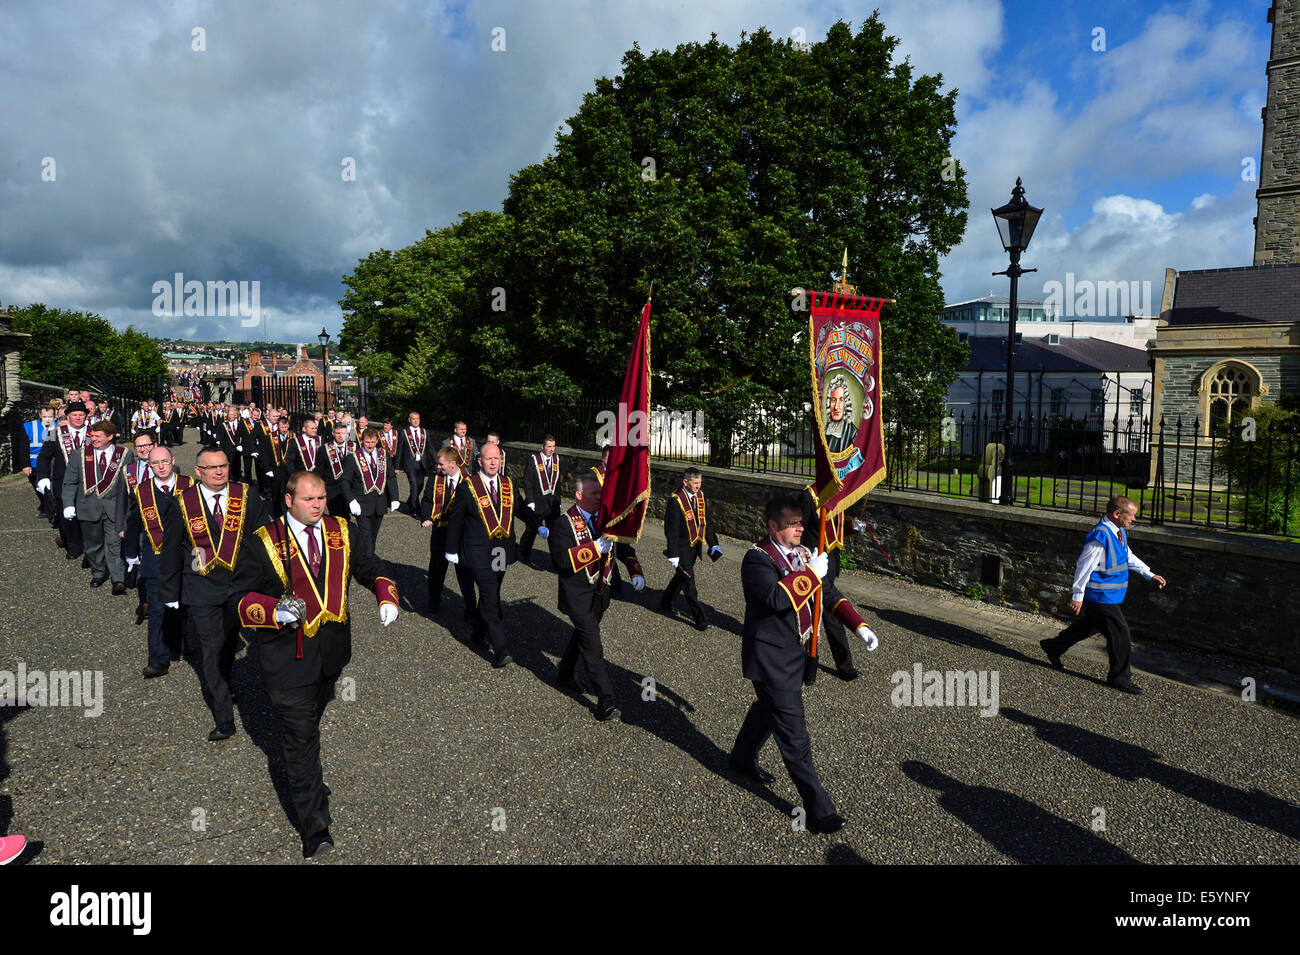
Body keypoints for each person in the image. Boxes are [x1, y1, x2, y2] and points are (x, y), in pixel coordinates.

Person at [230, 471, 399, 858]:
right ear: (288, 501)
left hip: (332, 655)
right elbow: (238, 598)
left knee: (312, 727)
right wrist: (274, 610)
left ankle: (308, 776)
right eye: (309, 499)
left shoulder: (342, 530)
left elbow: (368, 564)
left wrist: (384, 592)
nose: (319, 504)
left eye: (322, 497)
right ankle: (315, 827)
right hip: (286, 662)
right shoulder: (263, 541)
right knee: (301, 740)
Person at [729, 494, 878, 834]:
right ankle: (820, 810)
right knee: (795, 737)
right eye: (792, 525)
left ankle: (740, 757)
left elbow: (828, 593)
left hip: (793, 653)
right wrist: (810, 574)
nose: (800, 529)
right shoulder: (756, 559)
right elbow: (776, 598)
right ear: (772, 526)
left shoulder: (803, 555)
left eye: (800, 523)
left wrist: (859, 625)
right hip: (769, 658)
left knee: (768, 709)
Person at [160, 446, 268, 740]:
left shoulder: (246, 495)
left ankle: (226, 682)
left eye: (223, 466)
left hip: (239, 586)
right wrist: (170, 592)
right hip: (202, 588)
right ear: (198, 472)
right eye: (212, 468)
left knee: (226, 646)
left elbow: (263, 538)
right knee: (210, 651)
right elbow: (170, 550)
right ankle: (224, 719)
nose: (219, 472)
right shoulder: (182, 503)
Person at [1039, 495, 1167, 695]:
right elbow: (1084, 566)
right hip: (1100, 596)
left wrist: (1149, 574)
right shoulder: (1100, 535)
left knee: (1090, 626)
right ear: (1117, 514)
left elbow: (1128, 557)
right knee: (1121, 633)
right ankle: (1119, 678)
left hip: (1109, 595)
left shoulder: (1119, 532)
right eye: (1131, 515)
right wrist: (1077, 595)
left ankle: (1053, 646)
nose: (1134, 519)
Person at [444, 444, 544, 668]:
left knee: (493, 593)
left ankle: (478, 632)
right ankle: (501, 649)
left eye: (496, 459)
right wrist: (451, 549)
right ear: (479, 461)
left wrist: (538, 525)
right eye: (489, 459)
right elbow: (456, 520)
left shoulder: (507, 484)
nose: (493, 463)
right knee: (490, 599)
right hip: (477, 551)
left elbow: (519, 508)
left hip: (501, 551)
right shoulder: (467, 487)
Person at [551, 473, 636, 721]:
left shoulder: (604, 521)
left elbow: (623, 543)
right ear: (579, 495)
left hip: (600, 592)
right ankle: (606, 700)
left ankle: (565, 673)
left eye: (600, 493)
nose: (600, 497)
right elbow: (562, 560)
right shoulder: (563, 523)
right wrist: (595, 548)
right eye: (594, 494)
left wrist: (634, 569)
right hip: (576, 594)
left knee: (582, 635)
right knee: (593, 645)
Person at [123, 446, 192, 677]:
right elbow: (132, 524)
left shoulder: (190, 485)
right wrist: (130, 554)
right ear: (149, 466)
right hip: (155, 558)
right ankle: (158, 659)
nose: (161, 466)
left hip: (185, 558)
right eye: (155, 463)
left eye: (165, 461)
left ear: (173, 460)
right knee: (157, 610)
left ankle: (180, 646)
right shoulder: (141, 491)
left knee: (185, 606)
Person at [798, 488, 869, 683]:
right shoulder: (808, 496)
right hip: (813, 564)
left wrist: (852, 527)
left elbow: (832, 527)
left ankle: (841, 667)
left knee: (830, 616)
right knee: (813, 617)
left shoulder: (839, 496)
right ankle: (811, 666)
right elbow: (800, 530)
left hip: (830, 565)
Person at [62, 419, 131, 594]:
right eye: (93, 436)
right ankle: (99, 572)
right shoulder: (80, 454)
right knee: (93, 545)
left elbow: (129, 484)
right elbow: (70, 482)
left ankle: (118, 579)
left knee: (114, 545)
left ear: (110, 437)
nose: (94, 439)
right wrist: (68, 504)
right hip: (88, 507)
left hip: (114, 508)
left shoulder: (124, 454)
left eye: (98, 436)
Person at [660, 467, 720, 631]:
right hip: (681, 549)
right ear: (685, 482)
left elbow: (706, 521)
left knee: (680, 578)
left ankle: (665, 602)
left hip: (695, 547)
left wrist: (713, 543)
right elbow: (670, 529)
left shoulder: (700, 496)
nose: (698, 486)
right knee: (689, 584)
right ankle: (701, 620)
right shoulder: (675, 500)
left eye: (700, 482)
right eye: (695, 483)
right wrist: (673, 553)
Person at [420, 447, 471, 611]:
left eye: (441, 464)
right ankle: (433, 599)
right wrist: (426, 516)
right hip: (440, 530)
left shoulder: (469, 481)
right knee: (436, 567)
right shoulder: (435, 479)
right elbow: (427, 500)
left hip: (461, 533)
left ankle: (470, 604)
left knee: (463, 570)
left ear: (453, 464)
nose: (438, 467)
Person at [36, 400, 89, 559]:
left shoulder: (94, 433)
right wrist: (43, 477)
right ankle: (73, 547)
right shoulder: (55, 434)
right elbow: (44, 458)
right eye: (74, 415)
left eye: (81, 414)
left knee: (86, 517)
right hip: (63, 483)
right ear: (68, 416)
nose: (78, 418)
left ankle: (88, 547)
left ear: (86, 416)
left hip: (88, 483)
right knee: (66, 518)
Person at [342, 427, 401, 556]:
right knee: (366, 536)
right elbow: (345, 481)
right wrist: (351, 500)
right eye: (367, 442)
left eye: (373, 442)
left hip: (379, 503)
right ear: (362, 441)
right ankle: (367, 566)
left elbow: (390, 476)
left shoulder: (383, 455)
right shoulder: (353, 457)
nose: (370, 445)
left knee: (373, 537)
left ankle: (365, 560)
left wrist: (395, 497)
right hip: (361, 504)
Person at [519, 435, 561, 567]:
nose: (551, 449)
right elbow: (527, 481)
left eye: (553, 446)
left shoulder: (556, 459)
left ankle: (556, 560)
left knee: (554, 531)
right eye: (549, 446)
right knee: (531, 530)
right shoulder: (534, 460)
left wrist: (558, 500)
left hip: (552, 503)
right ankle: (524, 553)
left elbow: (558, 482)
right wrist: (530, 501)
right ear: (542, 447)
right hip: (537, 502)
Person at [398, 412, 431, 514]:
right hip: (410, 465)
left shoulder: (424, 432)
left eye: (417, 419)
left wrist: (437, 462)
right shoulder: (404, 433)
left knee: (420, 486)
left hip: (422, 464)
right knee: (414, 486)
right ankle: (416, 510)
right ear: (409, 420)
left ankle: (409, 503)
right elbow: (399, 450)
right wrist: (397, 466)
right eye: (413, 419)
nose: (416, 421)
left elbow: (430, 448)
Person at [321, 424, 353, 518]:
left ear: (347, 434)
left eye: (343, 433)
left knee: (347, 516)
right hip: (332, 489)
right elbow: (320, 470)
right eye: (338, 433)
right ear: (333, 433)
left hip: (349, 488)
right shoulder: (324, 449)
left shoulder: (354, 448)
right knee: (335, 517)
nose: (340, 436)